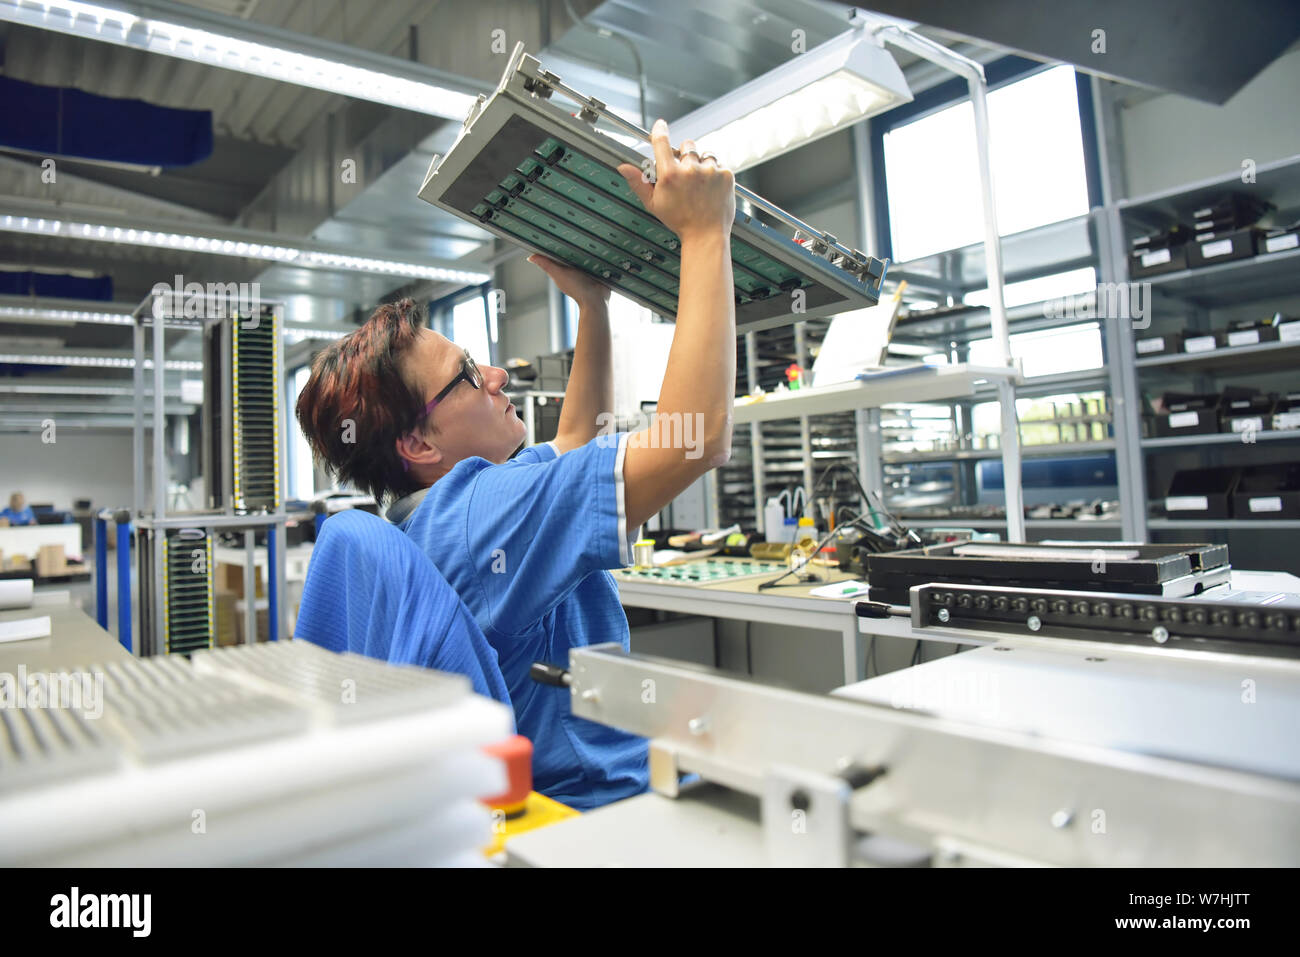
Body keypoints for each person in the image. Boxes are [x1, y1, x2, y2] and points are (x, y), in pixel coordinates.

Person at [296, 119, 735, 810]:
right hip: (603, 812)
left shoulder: (442, 512)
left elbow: (573, 446)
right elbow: (695, 440)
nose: (497, 374)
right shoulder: (480, 516)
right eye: (468, 375)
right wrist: (706, 235)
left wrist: (592, 308)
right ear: (419, 444)